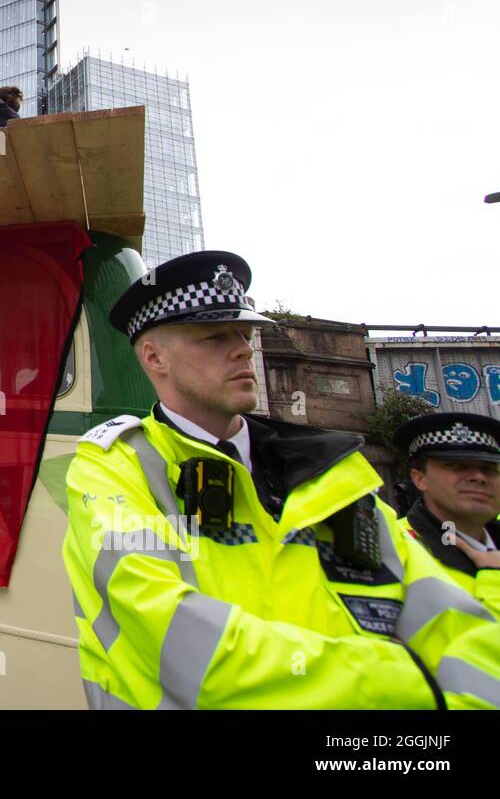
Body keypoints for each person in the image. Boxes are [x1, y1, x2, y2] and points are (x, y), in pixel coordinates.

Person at [62, 250, 500, 709]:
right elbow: (173, 634)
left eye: (244, 332)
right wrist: (391, 686)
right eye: (215, 337)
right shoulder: (117, 466)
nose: (242, 349)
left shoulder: (335, 474)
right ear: (154, 357)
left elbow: (457, 631)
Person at [396, 413, 500, 612]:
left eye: (489, 469)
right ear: (420, 479)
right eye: (457, 466)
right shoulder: (393, 546)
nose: (478, 477)